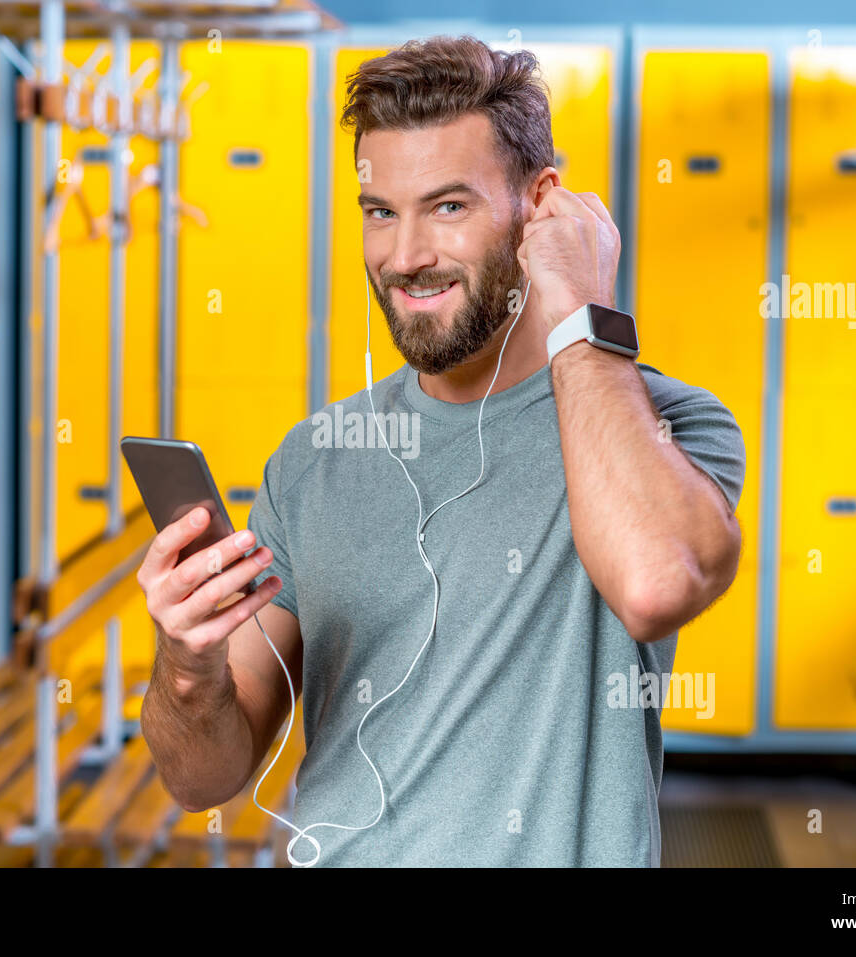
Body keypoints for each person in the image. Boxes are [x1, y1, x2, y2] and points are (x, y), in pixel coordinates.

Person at [137, 34, 746, 866]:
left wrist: (583, 312)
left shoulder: (666, 424)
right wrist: (186, 662)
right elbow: (203, 777)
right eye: (381, 211)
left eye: (448, 206)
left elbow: (655, 583)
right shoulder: (315, 458)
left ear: (541, 205)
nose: (405, 255)